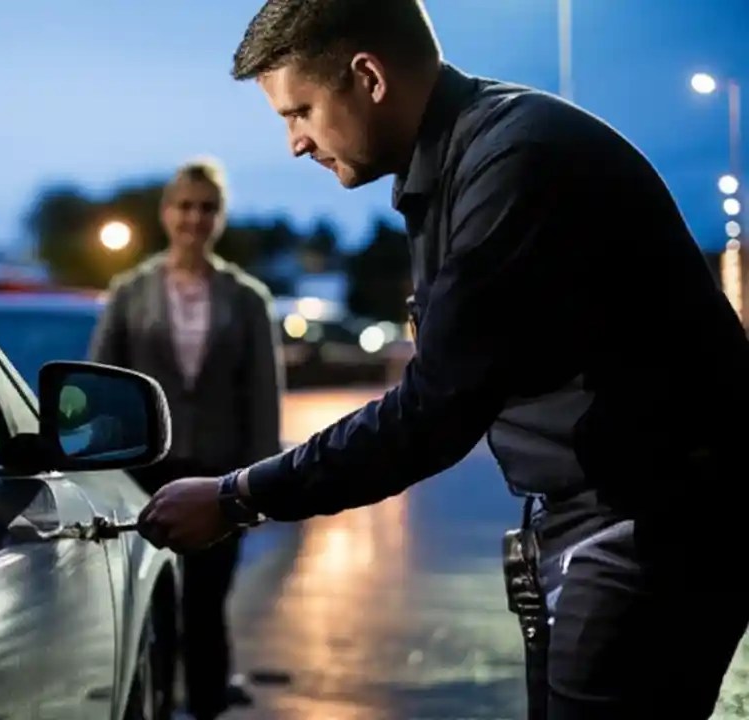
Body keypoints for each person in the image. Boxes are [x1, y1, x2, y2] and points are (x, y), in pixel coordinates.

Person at [135, 1, 749, 718]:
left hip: (653, 514)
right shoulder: (466, 158)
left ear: (367, 76)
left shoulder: (514, 162)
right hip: (619, 508)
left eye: (298, 110)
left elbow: (433, 410)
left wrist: (240, 496)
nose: (294, 143)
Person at [89, 158, 284, 720]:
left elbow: (263, 397)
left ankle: (205, 708)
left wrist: (261, 485)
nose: (194, 218)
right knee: (153, 609)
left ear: (219, 217)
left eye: (206, 208)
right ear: (165, 212)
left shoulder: (247, 299)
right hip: (143, 475)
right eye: (184, 206)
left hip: (220, 475)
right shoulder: (129, 292)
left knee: (205, 607)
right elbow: (102, 383)